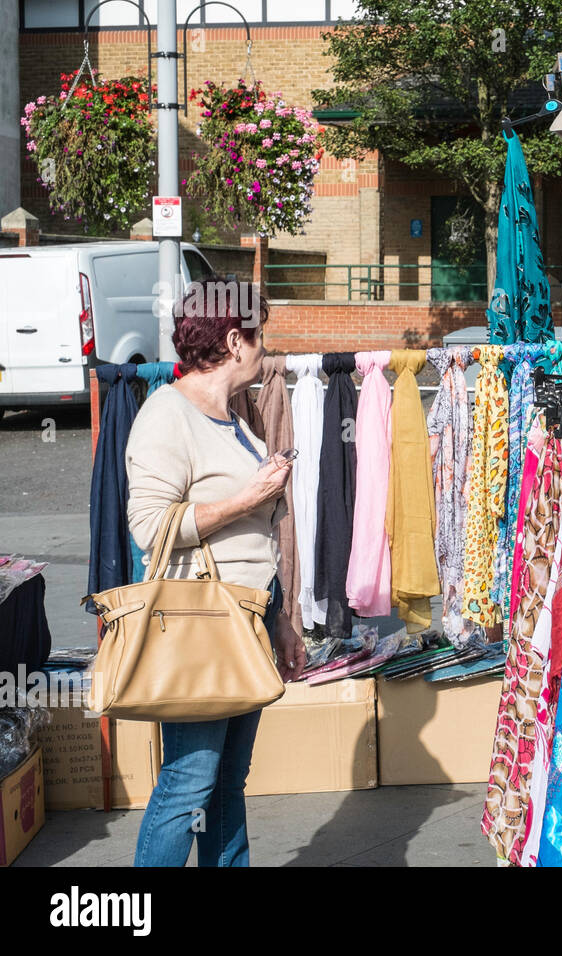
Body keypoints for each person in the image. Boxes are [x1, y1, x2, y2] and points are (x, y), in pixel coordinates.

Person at [124, 281, 307, 867]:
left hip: (246, 622)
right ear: (234, 340)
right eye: (261, 338)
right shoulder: (167, 414)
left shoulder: (231, 418)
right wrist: (248, 495)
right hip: (202, 627)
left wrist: (279, 618)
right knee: (189, 785)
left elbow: (252, 542)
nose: (265, 352)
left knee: (225, 786)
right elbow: (149, 526)